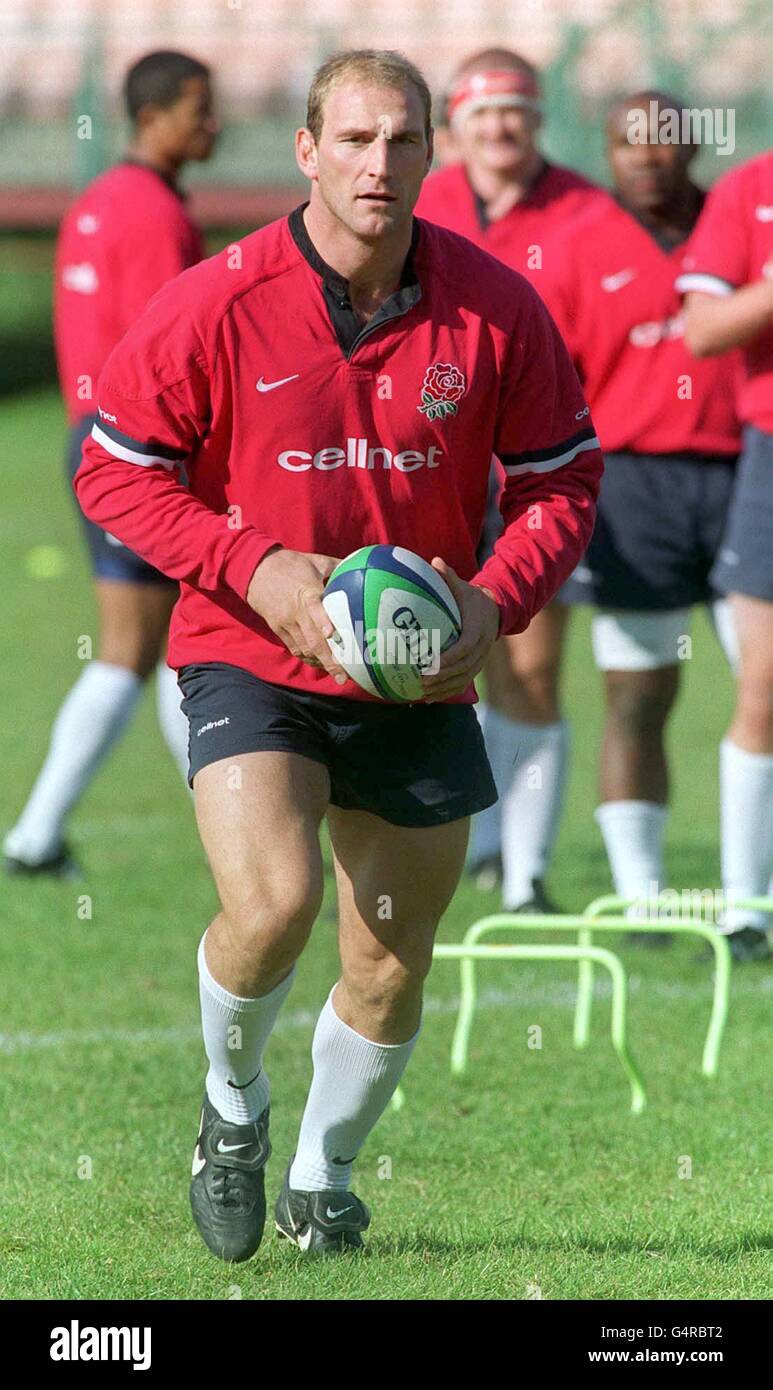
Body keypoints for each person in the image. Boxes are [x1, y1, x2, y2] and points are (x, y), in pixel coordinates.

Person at [74, 48, 602, 1261]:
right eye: (354, 140)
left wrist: (496, 596)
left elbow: (562, 474)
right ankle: (231, 1109)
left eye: (401, 140)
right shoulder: (218, 296)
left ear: (432, 152)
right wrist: (253, 565)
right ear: (306, 151)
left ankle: (322, 1174)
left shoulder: (493, 304)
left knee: (386, 955)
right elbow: (115, 466)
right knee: (273, 906)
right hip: (247, 650)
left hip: (419, 666)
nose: (378, 164)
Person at [4, 50, 218, 876]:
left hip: (90, 438)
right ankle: (35, 835)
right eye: (199, 107)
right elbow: (179, 346)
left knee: (155, 643)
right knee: (152, 645)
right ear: (152, 113)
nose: (213, 123)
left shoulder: (97, 200)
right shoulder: (157, 214)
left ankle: (42, 835)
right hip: (140, 447)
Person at [542, 92, 742, 941]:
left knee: (761, 689)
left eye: (664, 142)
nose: (647, 158)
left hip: (746, 478)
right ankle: (643, 897)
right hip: (633, 489)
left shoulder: (738, 226)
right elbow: (551, 389)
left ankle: (745, 894)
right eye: (629, 143)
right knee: (636, 697)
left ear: (693, 148)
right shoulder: (580, 245)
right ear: (608, 149)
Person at [415, 48, 607, 911]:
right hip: (429, 468)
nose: (499, 128)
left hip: (533, 472)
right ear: (452, 125)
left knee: (528, 666)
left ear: (538, 121)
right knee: (426, 654)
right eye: (483, 112)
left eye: (515, 112)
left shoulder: (587, 213)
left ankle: (523, 872)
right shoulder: (414, 200)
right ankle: (470, 847)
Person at [678, 149, 773, 961]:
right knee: (763, 685)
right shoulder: (750, 188)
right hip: (767, 458)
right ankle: (745, 909)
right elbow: (702, 329)